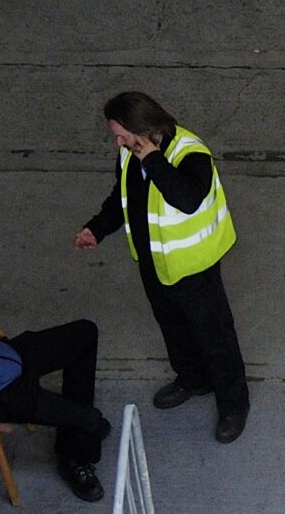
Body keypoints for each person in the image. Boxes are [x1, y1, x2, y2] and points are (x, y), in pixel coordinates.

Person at [74, 90, 249, 442]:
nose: (118, 142)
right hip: (154, 263)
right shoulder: (128, 154)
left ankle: (233, 405)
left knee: (215, 337)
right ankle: (192, 379)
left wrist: (152, 160)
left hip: (194, 267)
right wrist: (97, 228)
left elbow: (185, 199)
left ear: (142, 128)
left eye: (121, 134)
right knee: (173, 327)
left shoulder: (190, 154)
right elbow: (122, 198)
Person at [0, 283, 109, 502]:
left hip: (5, 356)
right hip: (1, 394)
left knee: (84, 332)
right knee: (92, 420)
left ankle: (75, 432)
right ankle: (73, 458)